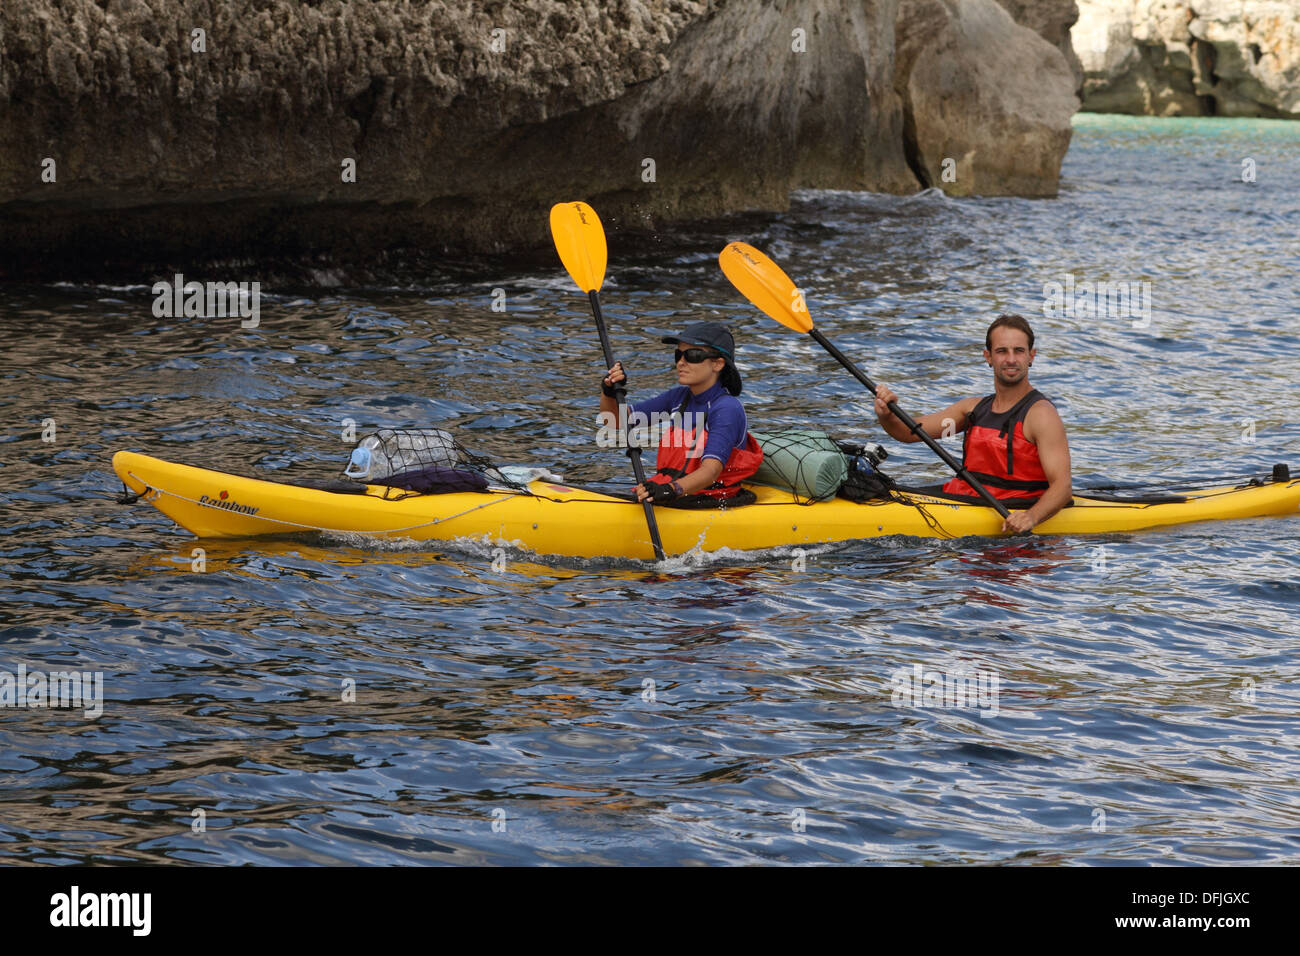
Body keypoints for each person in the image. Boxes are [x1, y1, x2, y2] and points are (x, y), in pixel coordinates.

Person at [873, 314, 1072, 533]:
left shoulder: (1041, 415)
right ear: (988, 357)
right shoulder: (971, 410)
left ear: (1031, 356)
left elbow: (1062, 488)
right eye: (1002, 351)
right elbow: (910, 432)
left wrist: (1031, 517)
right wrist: (887, 414)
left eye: (1019, 351)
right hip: (964, 499)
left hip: (1015, 510)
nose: (1011, 359)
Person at [599, 321, 763, 506]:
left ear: (717, 364)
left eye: (692, 355)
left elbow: (711, 471)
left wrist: (670, 489)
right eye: (678, 354)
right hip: (675, 493)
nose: (681, 362)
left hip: (709, 499)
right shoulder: (678, 397)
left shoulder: (726, 409)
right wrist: (609, 391)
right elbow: (615, 421)